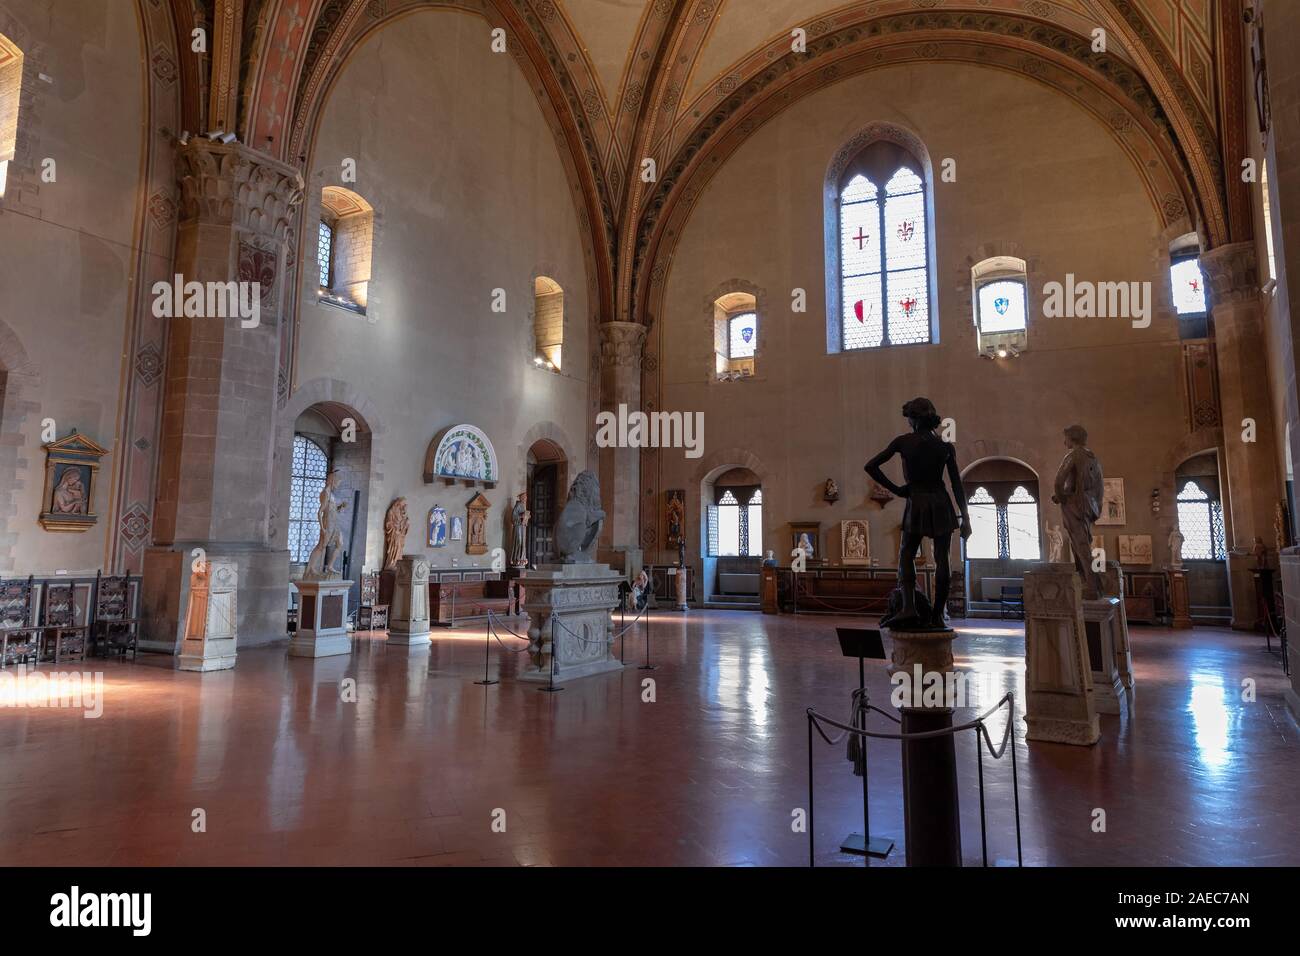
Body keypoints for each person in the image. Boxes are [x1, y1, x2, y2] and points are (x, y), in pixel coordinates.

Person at [864, 397, 971, 627]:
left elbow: (870, 466)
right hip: (941, 501)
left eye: (909, 418)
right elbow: (956, 484)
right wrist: (966, 517)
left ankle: (909, 608)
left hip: (918, 499)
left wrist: (897, 490)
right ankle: (938, 616)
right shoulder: (945, 446)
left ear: (914, 419)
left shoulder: (904, 442)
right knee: (942, 559)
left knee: (906, 553)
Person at [1051, 424, 1104, 598]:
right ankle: (1088, 582)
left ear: (1072, 438)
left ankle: (1092, 585)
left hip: (1074, 505)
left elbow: (1059, 481)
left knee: (1080, 545)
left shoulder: (1073, 456)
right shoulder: (1092, 458)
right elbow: (1099, 487)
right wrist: (1096, 507)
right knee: (1081, 544)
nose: (1063, 441)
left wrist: (1062, 497)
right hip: (1089, 505)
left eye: (1065, 437)